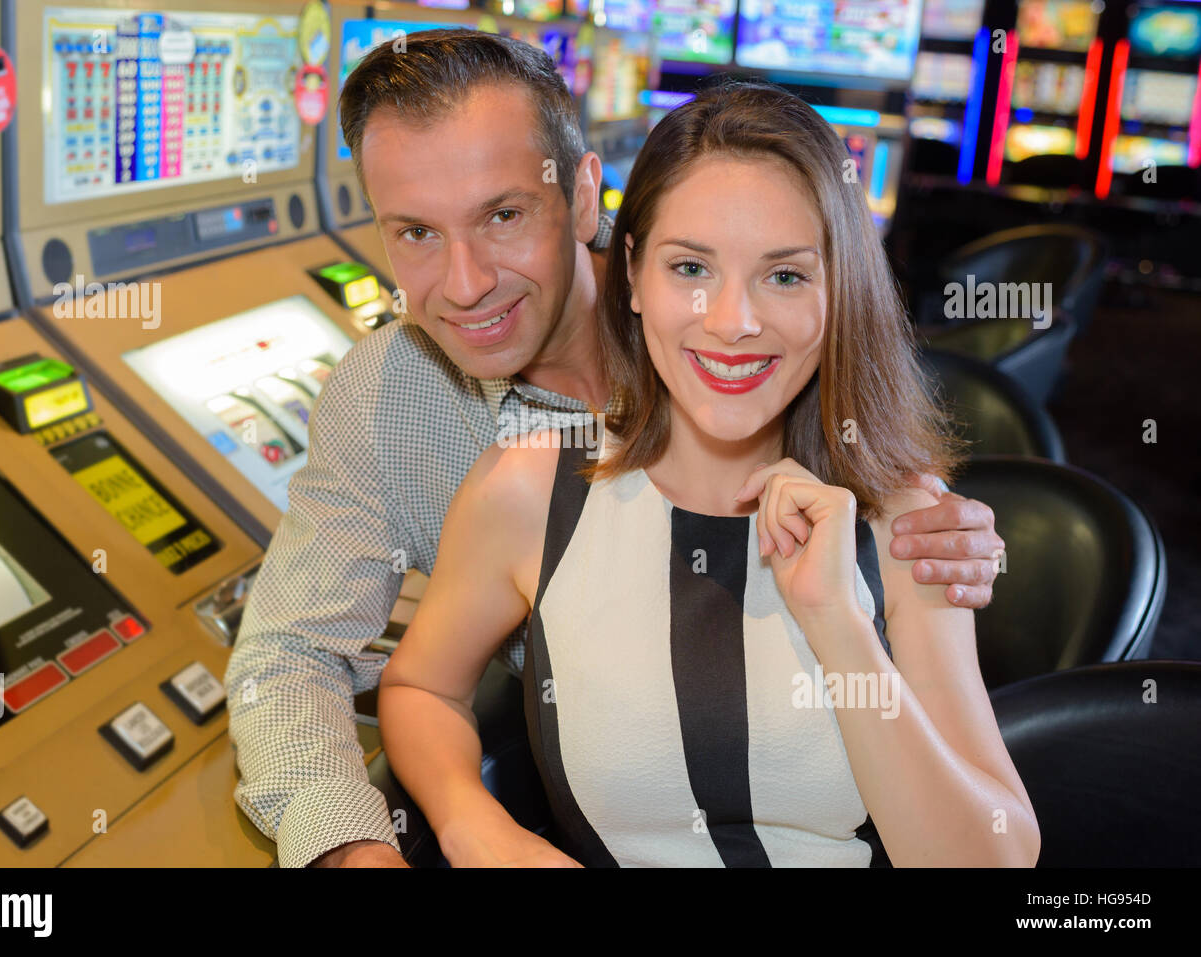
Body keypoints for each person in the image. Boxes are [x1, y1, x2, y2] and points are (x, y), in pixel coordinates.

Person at [225, 30, 1008, 869]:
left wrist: (902, 575)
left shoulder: (735, 358)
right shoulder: (405, 407)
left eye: (504, 214)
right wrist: (365, 843)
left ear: (587, 197)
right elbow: (294, 651)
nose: (463, 283)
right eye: (415, 232)